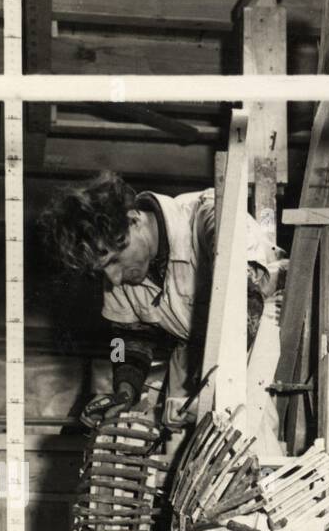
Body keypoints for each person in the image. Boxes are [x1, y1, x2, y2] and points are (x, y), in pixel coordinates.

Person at [39, 170, 286, 427]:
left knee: (247, 432)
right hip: (196, 350)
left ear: (133, 219)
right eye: (102, 270)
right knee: (176, 438)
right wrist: (124, 391)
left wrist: (216, 385)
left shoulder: (209, 216)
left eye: (114, 261)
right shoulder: (121, 277)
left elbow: (246, 300)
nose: (113, 279)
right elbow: (122, 340)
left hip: (263, 328)